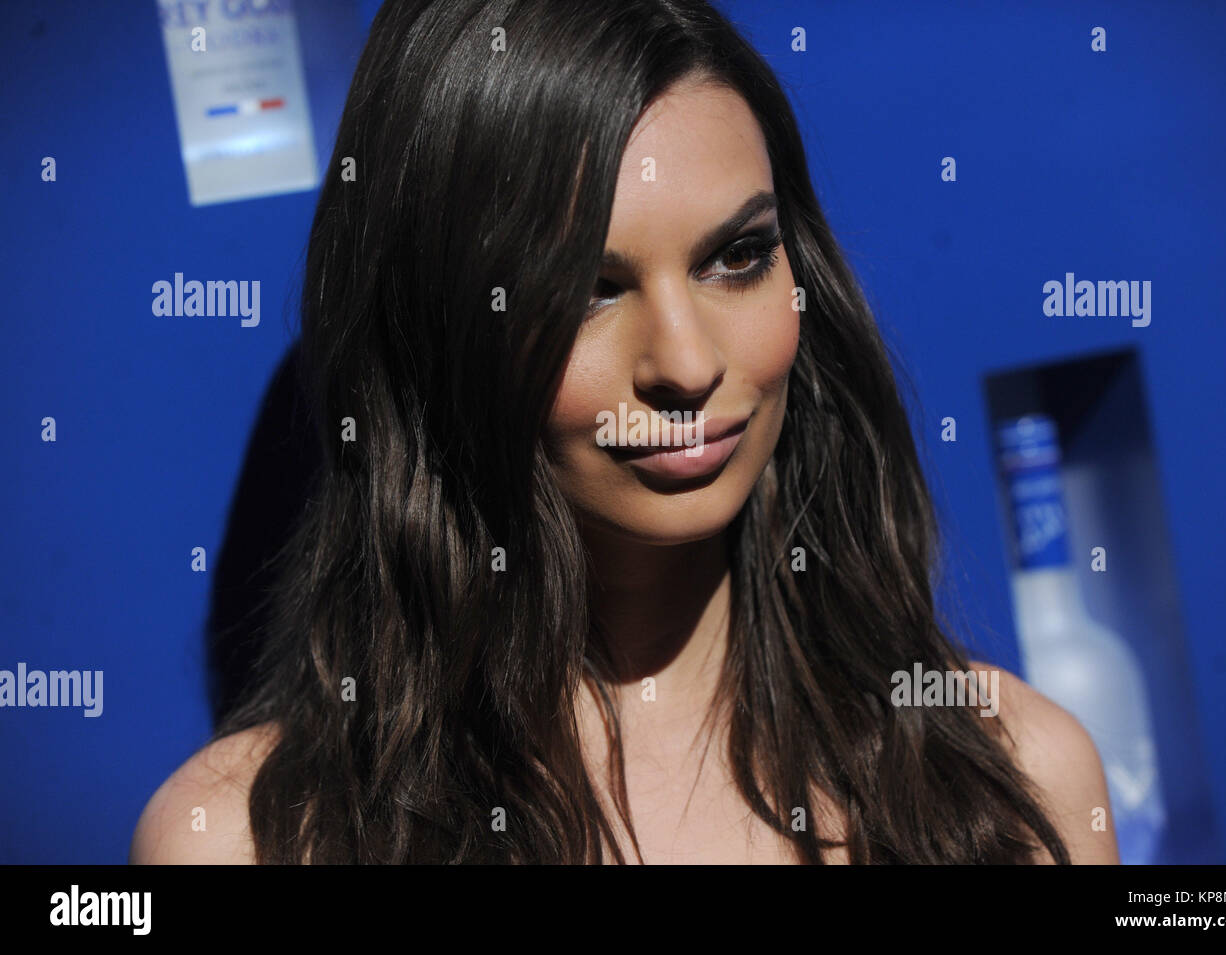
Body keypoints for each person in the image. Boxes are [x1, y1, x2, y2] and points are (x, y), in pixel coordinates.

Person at [131, 0, 1117, 864]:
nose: (685, 363)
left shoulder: (1012, 782)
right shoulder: (245, 841)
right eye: (586, 293)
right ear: (437, 338)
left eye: (736, 258)